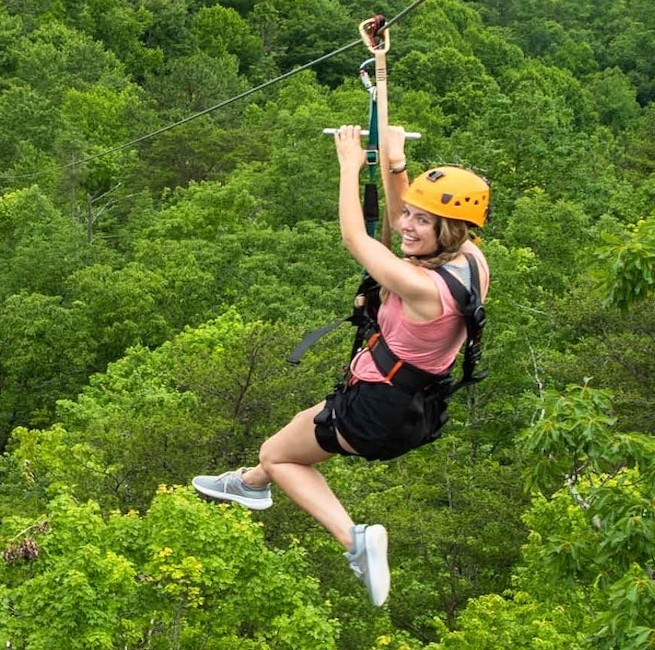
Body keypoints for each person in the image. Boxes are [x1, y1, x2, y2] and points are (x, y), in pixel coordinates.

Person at [191, 124, 489, 607]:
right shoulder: (472, 262)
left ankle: (354, 539)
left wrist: (351, 165)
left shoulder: (422, 288)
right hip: (415, 408)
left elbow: (355, 238)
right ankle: (248, 483)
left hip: (377, 408)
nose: (407, 225)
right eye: (410, 214)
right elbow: (403, 216)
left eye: (423, 221)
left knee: (280, 455)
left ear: (449, 231)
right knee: (294, 432)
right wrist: (395, 163)